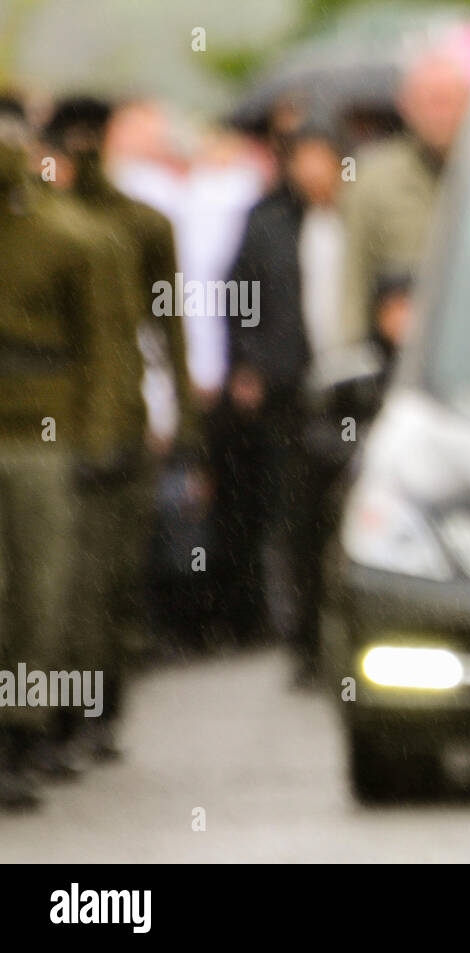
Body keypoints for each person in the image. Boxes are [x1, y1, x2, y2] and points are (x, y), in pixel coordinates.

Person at [42, 96, 200, 763]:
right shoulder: (42, 225)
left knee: (111, 578)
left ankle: (100, 708)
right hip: (56, 422)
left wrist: (183, 420)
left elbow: (169, 327)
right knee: (62, 578)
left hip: (123, 419)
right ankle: (56, 716)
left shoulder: (142, 225)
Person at [0, 96, 120, 806]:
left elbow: (104, 347)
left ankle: (23, 731)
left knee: (42, 597)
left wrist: (99, 437)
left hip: (44, 434)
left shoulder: (67, 236)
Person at [212, 116, 348, 683]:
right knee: (291, 517)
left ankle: (342, 634)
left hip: (352, 387)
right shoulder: (267, 221)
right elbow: (239, 292)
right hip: (289, 389)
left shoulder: (353, 221)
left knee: (341, 513)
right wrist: (248, 361)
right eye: (303, 159)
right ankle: (302, 640)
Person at [338, 48, 470, 351]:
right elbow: (354, 279)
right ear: (406, 107)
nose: (440, 114)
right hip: (406, 354)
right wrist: (351, 351)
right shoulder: (375, 180)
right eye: (429, 102)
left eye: (448, 101)